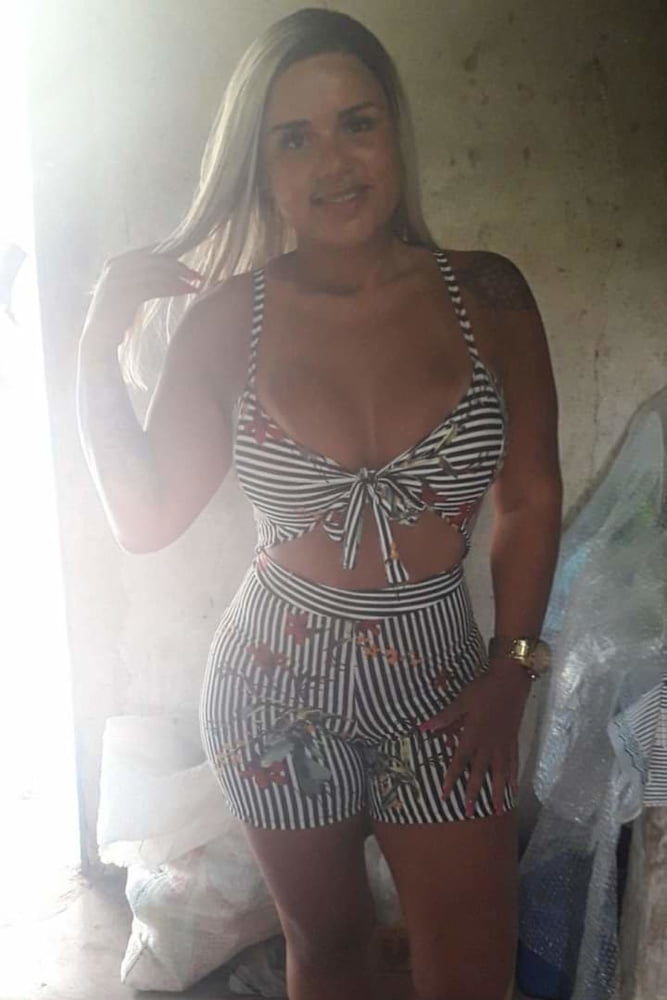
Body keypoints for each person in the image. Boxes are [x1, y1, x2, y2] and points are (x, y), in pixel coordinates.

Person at [77, 9, 562, 1000]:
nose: (333, 163)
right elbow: (147, 517)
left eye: (356, 123)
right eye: (293, 138)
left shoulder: (489, 298)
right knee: (329, 951)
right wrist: (92, 358)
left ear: (395, 132)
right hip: (270, 693)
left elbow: (528, 493)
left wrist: (513, 667)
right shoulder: (226, 324)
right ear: (260, 167)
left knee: (471, 971)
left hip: (440, 685)